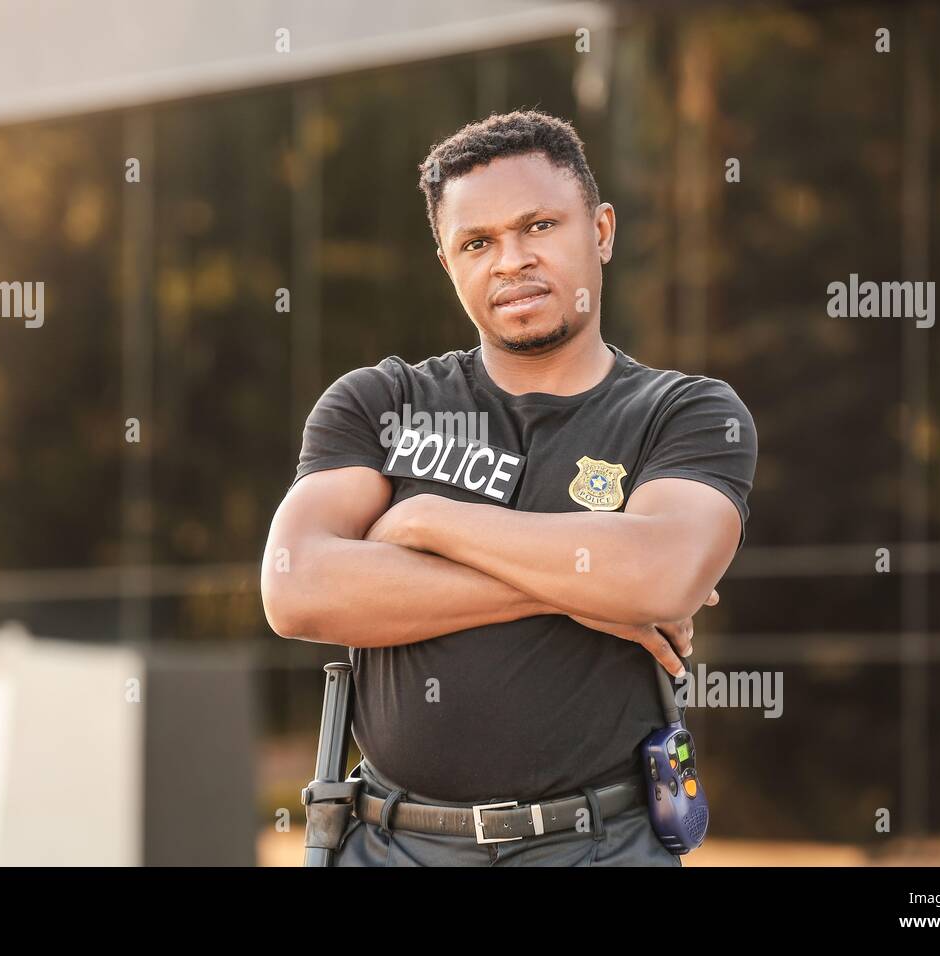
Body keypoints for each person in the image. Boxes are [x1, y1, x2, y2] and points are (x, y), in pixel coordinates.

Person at [262, 109, 757, 866]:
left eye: (539, 226)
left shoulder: (686, 412)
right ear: (448, 263)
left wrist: (426, 518)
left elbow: (660, 575)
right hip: (390, 845)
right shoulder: (378, 402)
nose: (511, 261)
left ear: (601, 231)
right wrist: (585, 590)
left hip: (599, 845)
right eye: (478, 242)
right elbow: (296, 590)